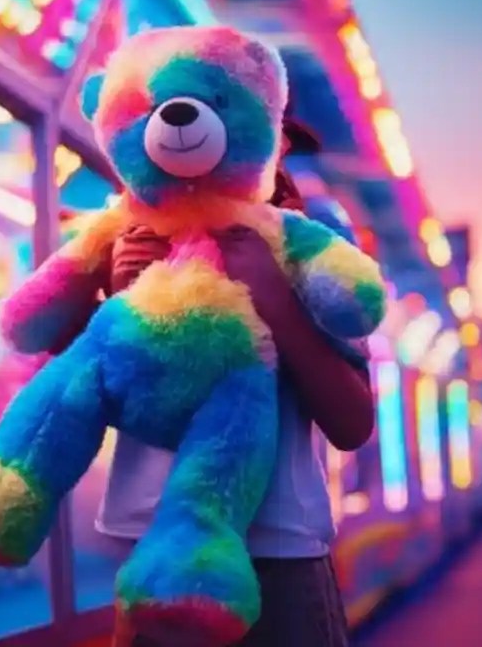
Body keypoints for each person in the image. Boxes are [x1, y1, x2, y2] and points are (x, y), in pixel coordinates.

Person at [60, 119, 375, 646]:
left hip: (278, 557)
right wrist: (118, 303)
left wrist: (275, 298)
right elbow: (88, 395)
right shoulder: (128, 233)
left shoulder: (308, 242)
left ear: (278, 142)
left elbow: (352, 421)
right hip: (155, 552)